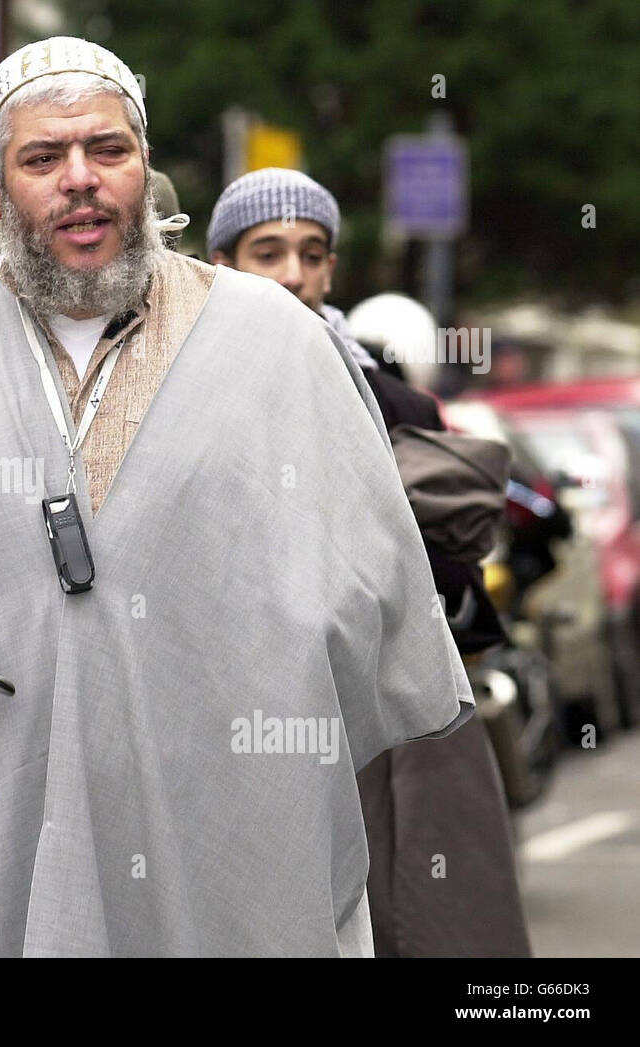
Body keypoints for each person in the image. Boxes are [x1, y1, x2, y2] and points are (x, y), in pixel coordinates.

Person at [0, 37, 474, 958]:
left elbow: (378, 600)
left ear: (146, 170)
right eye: (42, 158)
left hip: (215, 839)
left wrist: (222, 682)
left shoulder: (277, 344)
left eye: (109, 151)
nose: (81, 180)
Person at [208, 167, 532, 957]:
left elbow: (445, 581)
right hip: (226, 708)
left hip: (368, 713)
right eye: (268, 251)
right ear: (222, 264)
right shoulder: (179, 388)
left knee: (399, 907)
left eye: (312, 253)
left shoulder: (396, 402)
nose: (293, 273)